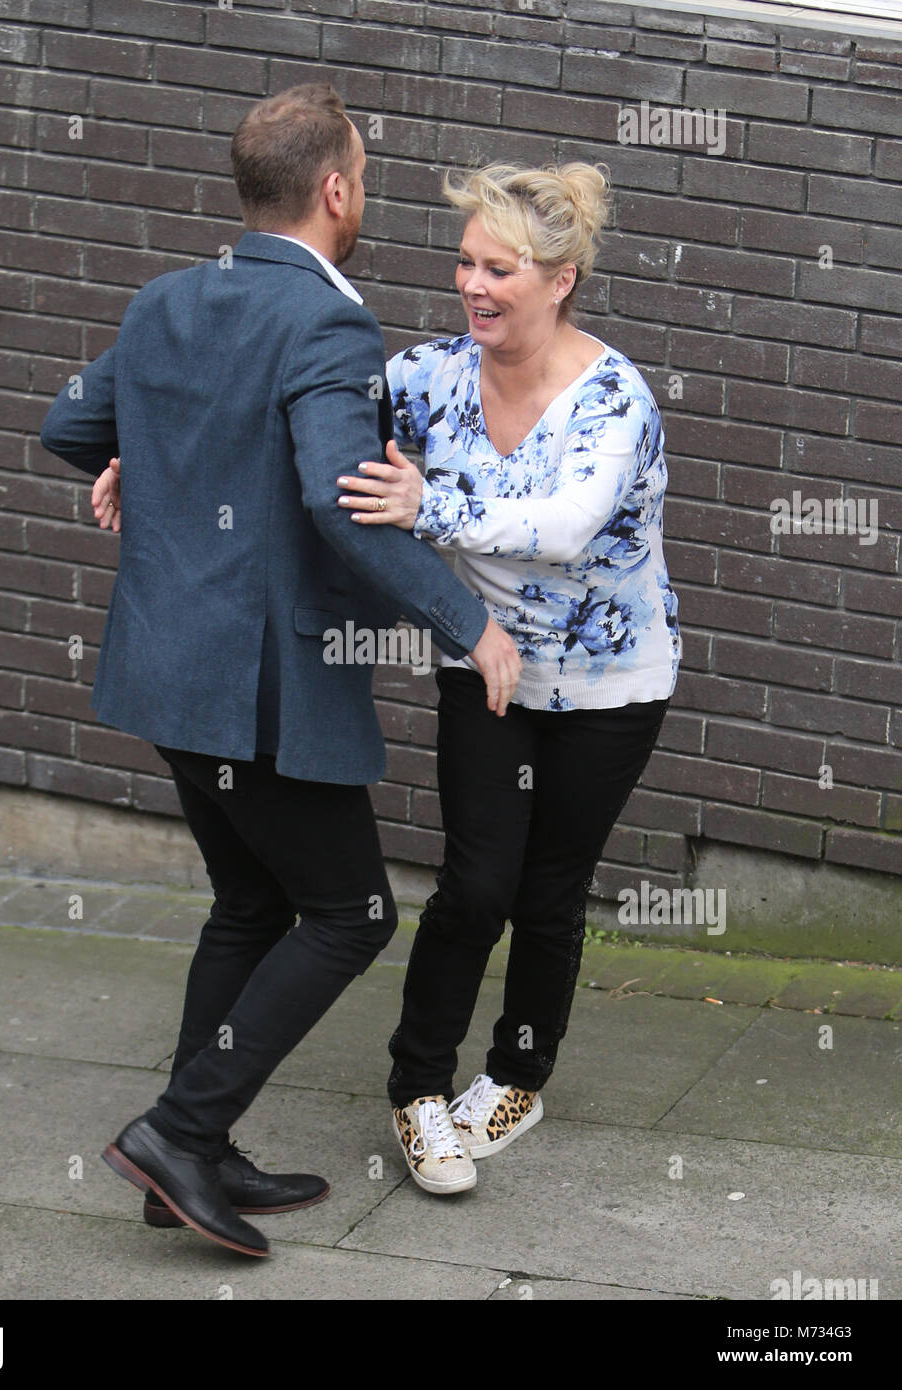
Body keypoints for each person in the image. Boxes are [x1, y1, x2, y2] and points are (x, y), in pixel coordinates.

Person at [39, 85, 520, 1256]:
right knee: (351, 909)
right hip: (253, 690)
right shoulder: (328, 326)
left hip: (166, 673)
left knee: (253, 903)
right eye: (366, 175)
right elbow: (339, 502)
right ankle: (177, 1131)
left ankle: (198, 1146)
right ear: (337, 190)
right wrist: (472, 625)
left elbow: (69, 426)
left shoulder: (167, 299)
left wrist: (136, 464)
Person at [335, 162, 681, 1194]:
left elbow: (563, 529)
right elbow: (306, 424)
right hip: (486, 671)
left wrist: (424, 508)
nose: (473, 286)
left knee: (550, 891)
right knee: (477, 883)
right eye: (466, 264)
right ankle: (417, 1089)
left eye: (500, 269)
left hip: (615, 686)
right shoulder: (427, 378)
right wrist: (152, 454)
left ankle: (519, 1074)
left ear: (562, 278)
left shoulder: (612, 397)